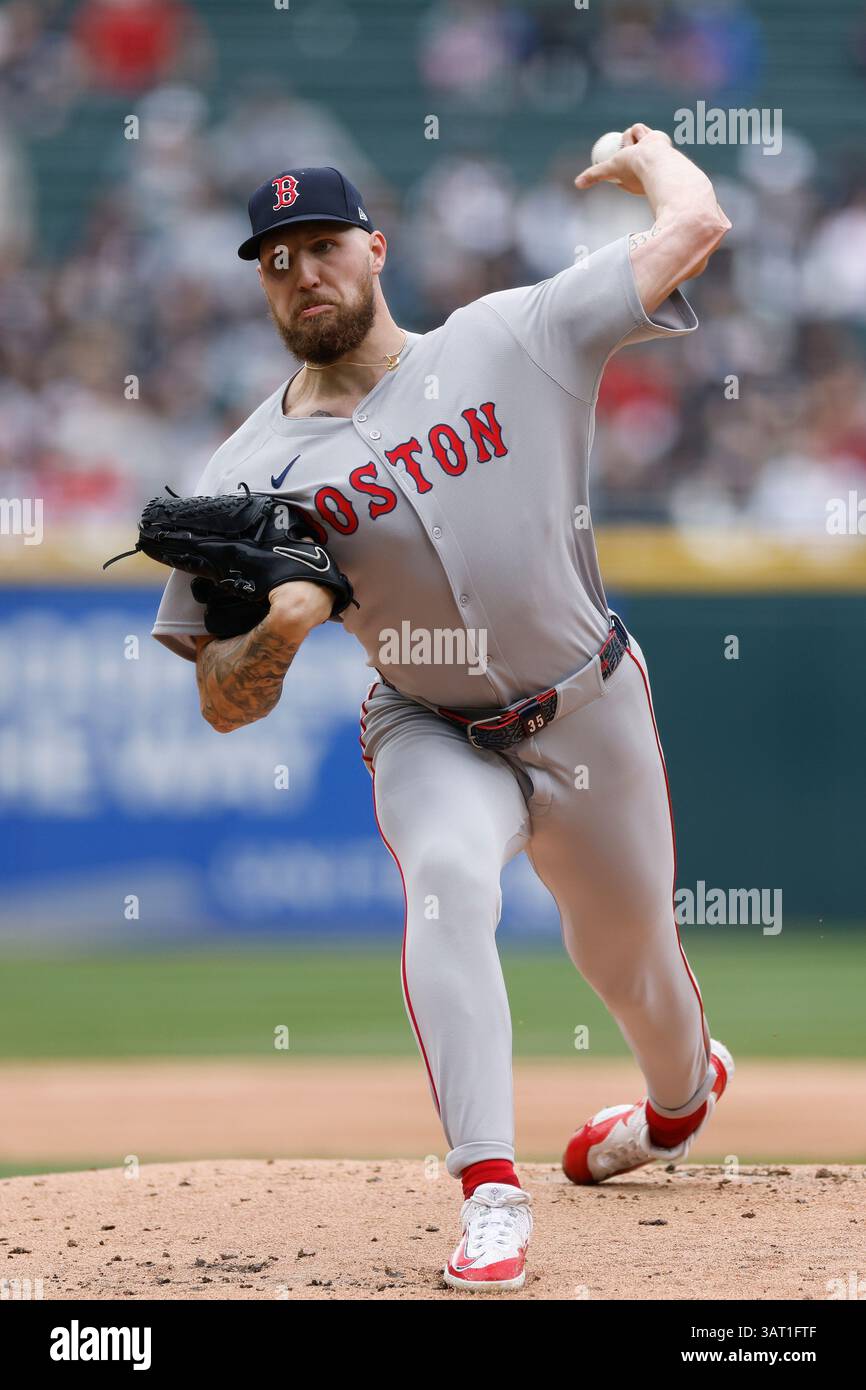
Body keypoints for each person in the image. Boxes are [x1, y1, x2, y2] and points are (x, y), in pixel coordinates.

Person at [152, 133, 734, 1293]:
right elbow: (220, 704)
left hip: (586, 710)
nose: (301, 271)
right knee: (448, 883)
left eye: (321, 245)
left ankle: (677, 1102)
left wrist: (655, 158)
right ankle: (488, 1191)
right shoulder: (244, 466)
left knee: (636, 978)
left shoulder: (506, 336)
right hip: (425, 722)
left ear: (374, 247)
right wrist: (273, 629)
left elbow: (695, 230)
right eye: (274, 258)